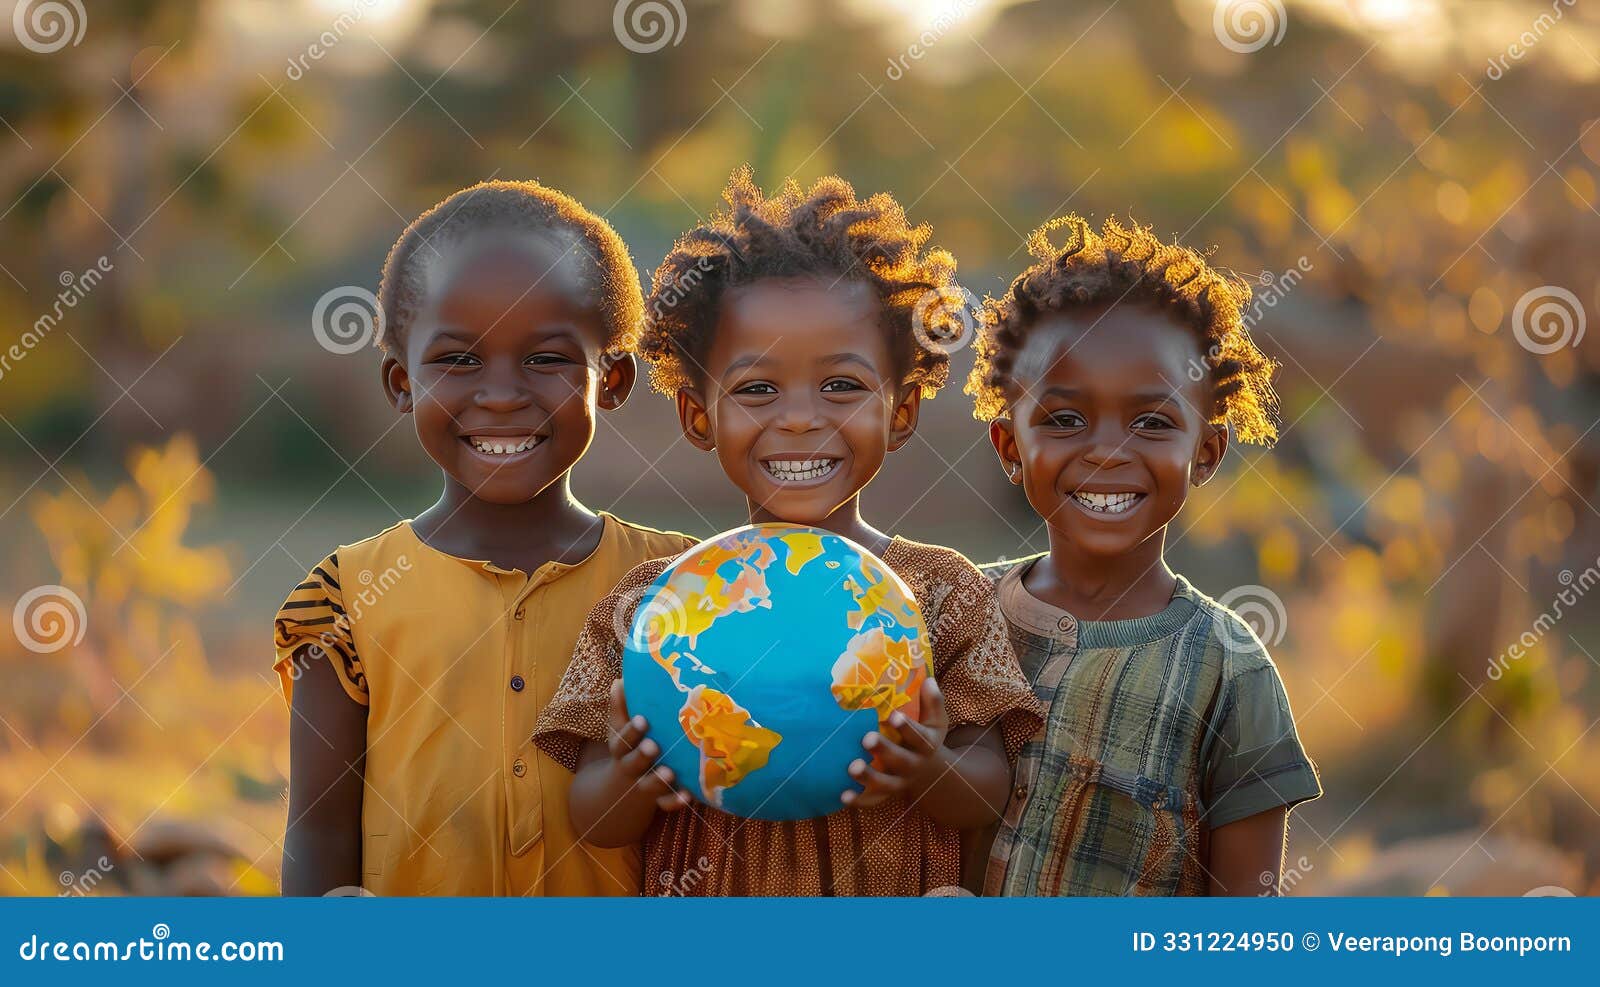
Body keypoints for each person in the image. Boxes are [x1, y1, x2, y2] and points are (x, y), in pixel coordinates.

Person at [534, 167, 1044, 895]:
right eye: (757, 388)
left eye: (841, 385)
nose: (800, 417)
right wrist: (632, 772)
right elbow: (593, 816)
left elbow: (989, 788)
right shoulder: (652, 607)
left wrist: (928, 764)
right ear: (698, 416)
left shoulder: (942, 592)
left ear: (899, 412)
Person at [273, 180, 696, 896]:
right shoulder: (342, 597)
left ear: (612, 378)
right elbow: (319, 830)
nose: (500, 394)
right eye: (458, 360)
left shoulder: (682, 585)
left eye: (547, 359)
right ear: (402, 382)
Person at [967, 215, 1321, 896]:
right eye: (1065, 419)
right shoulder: (952, 615)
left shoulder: (1230, 670)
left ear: (1207, 452)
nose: (1106, 451)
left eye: (1152, 422)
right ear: (1011, 447)